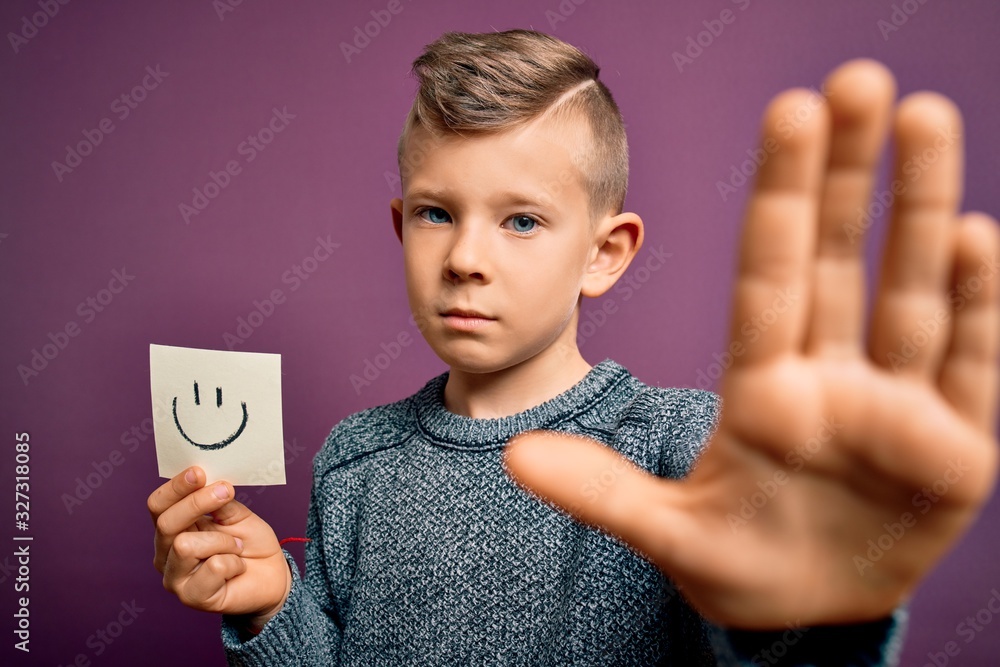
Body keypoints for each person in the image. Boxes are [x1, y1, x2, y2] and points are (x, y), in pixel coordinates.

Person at [147, 29, 999, 666]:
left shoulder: (685, 446)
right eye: (437, 213)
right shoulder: (353, 461)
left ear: (606, 252)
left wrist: (810, 614)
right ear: (401, 226)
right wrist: (270, 611)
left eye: (522, 220)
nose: (466, 259)